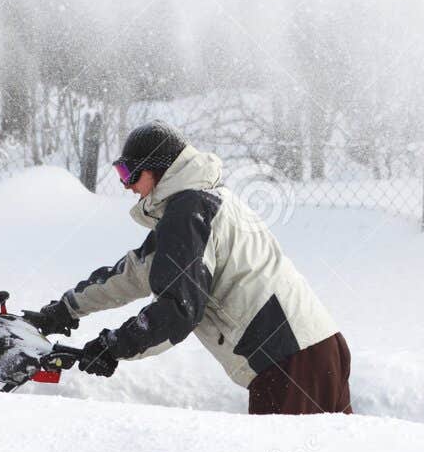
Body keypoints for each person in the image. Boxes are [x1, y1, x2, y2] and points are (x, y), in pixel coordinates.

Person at [22, 121, 352, 415]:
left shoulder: (189, 211)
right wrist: (66, 309)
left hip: (290, 361)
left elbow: (178, 309)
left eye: (130, 174)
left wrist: (114, 346)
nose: (127, 186)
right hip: (314, 349)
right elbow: (135, 273)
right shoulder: (195, 204)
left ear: (158, 169)